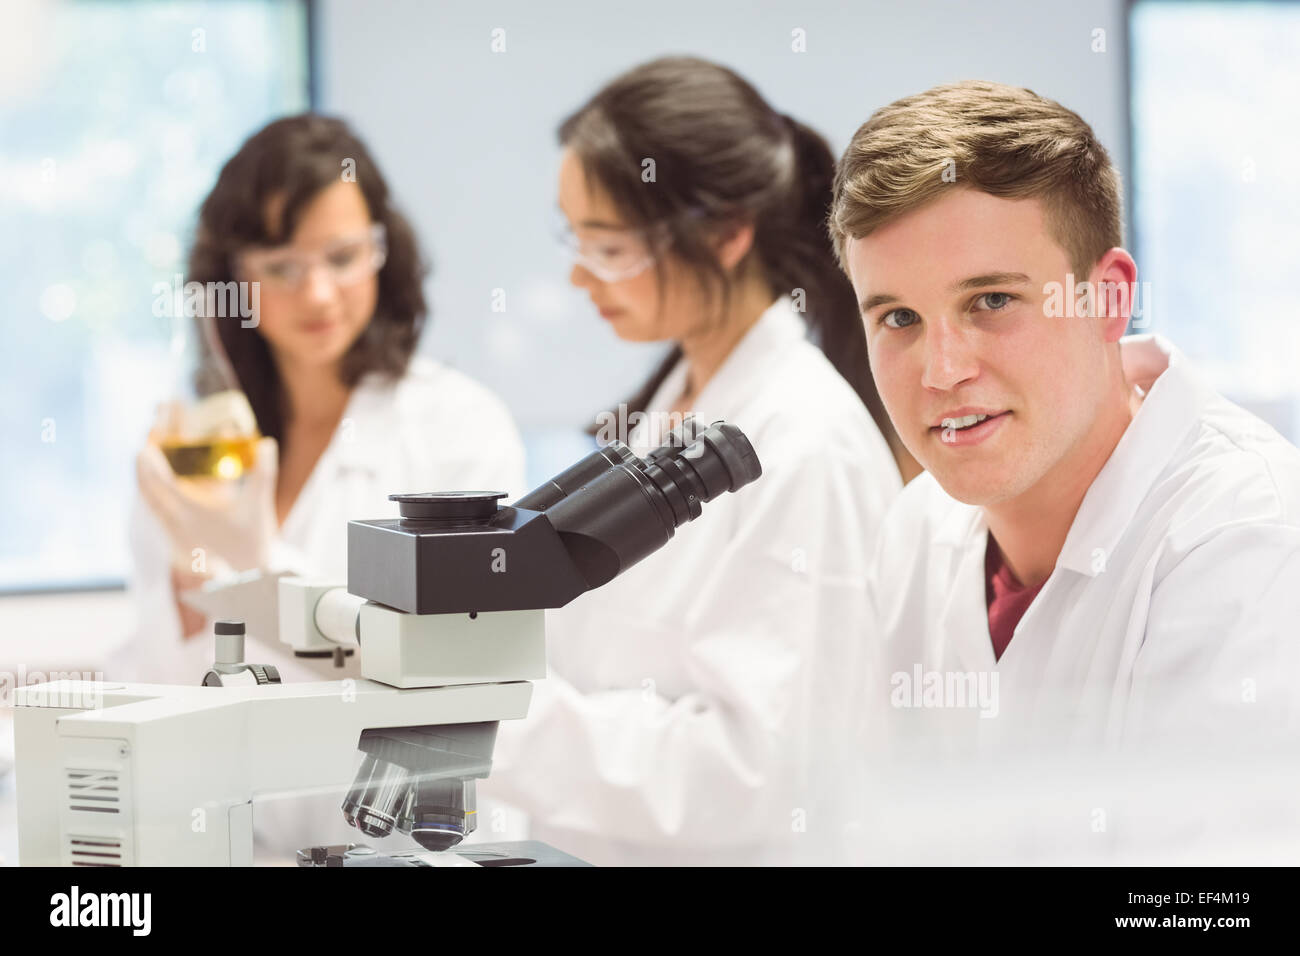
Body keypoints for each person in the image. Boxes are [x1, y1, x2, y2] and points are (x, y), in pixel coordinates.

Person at [478, 57, 907, 866]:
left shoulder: (805, 445)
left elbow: (761, 779)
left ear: (726, 232)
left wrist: (491, 720)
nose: (578, 275)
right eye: (575, 240)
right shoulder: (675, 408)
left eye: (606, 247)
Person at [828, 80, 1300, 751]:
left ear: (1108, 299)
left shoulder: (1246, 540)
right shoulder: (914, 532)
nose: (942, 370)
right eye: (899, 317)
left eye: (991, 301)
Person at [128, 114, 526, 691]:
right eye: (282, 267)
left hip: (382, 781)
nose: (316, 294)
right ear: (231, 280)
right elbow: (164, 675)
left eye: (341, 258)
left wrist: (260, 566)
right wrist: (185, 571)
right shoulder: (196, 445)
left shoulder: (457, 426)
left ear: (382, 251)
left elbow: (456, 666)